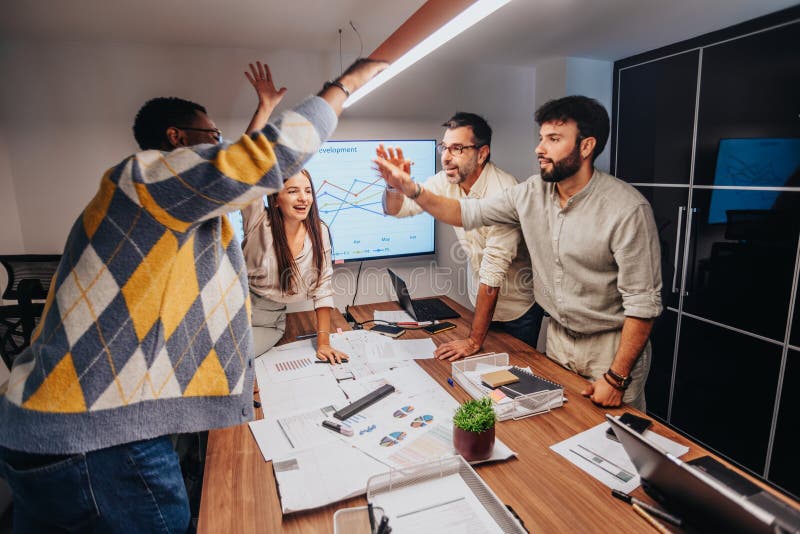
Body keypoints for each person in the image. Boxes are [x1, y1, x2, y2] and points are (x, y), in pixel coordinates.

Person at [0, 58, 385, 532]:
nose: (221, 148)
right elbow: (253, 162)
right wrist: (345, 84)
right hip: (98, 438)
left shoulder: (169, 206)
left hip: (47, 430)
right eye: (212, 138)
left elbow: (239, 172)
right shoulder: (147, 176)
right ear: (177, 139)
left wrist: (263, 108)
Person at [374, 95, 662, 410]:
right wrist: (409, 188)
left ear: (586, 146)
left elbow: (643, 305)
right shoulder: (530, 192)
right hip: (558, 338)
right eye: (541, 139)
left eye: (553, 139)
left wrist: (616, 378)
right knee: (557, 426)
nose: (540, 149)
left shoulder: (627, 209)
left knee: (614, 441)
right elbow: (466, 213)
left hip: (609, 349)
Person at [381, 112, 541, 361]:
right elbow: (398, 209)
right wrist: (393, 187)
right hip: (479, 304)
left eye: (457, 149)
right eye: (444, 148)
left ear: (482, 153)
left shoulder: (504, 192)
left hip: (515, 311)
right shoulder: (447, 182)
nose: (446, 157)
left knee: (512, 382)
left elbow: (492, 273)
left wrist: (474, 341)